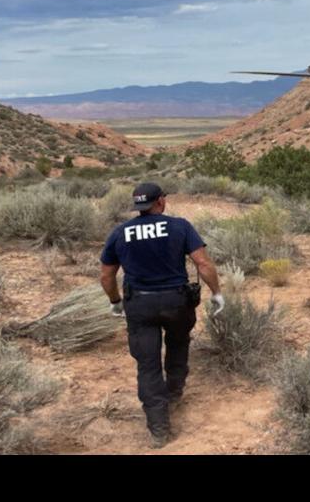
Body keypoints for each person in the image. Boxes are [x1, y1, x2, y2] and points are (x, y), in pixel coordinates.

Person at [99, 182, 224, 448]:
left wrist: (115, 301)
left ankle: (159, 429)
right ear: (161, 202)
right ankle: (175, 392)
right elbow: (202, 263)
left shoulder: (119, 233)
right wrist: (216, 293)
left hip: (140, 305)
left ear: (138, 206)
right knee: (178, 344)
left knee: (148, 364)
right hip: (176, 301)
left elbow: (107, 275)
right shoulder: (180, 226)